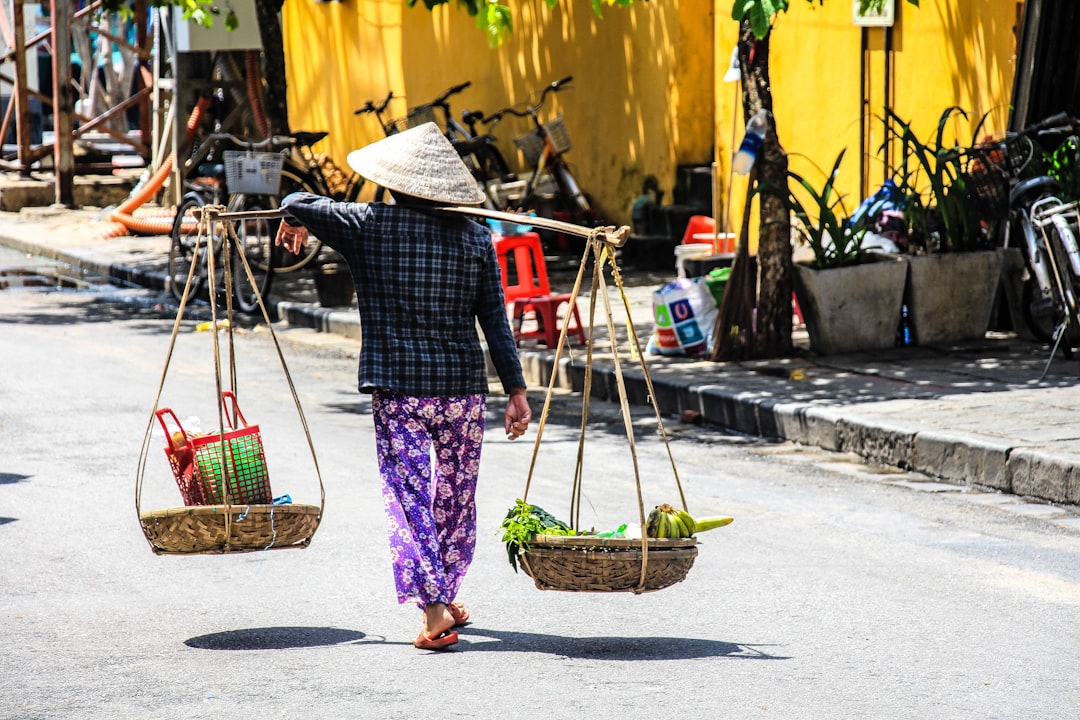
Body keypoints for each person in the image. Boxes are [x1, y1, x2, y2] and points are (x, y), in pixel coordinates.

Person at [274, 123, 531, 651]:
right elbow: (494, 321)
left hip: (400, 391)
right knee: (456, 497)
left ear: (393, 185)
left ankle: (437, 608)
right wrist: (517, 390)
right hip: (462, 391)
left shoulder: (368, 224)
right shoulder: (477, 236)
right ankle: (445, 593)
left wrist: (293, 217)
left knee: (409, 496)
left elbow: (298, 195)